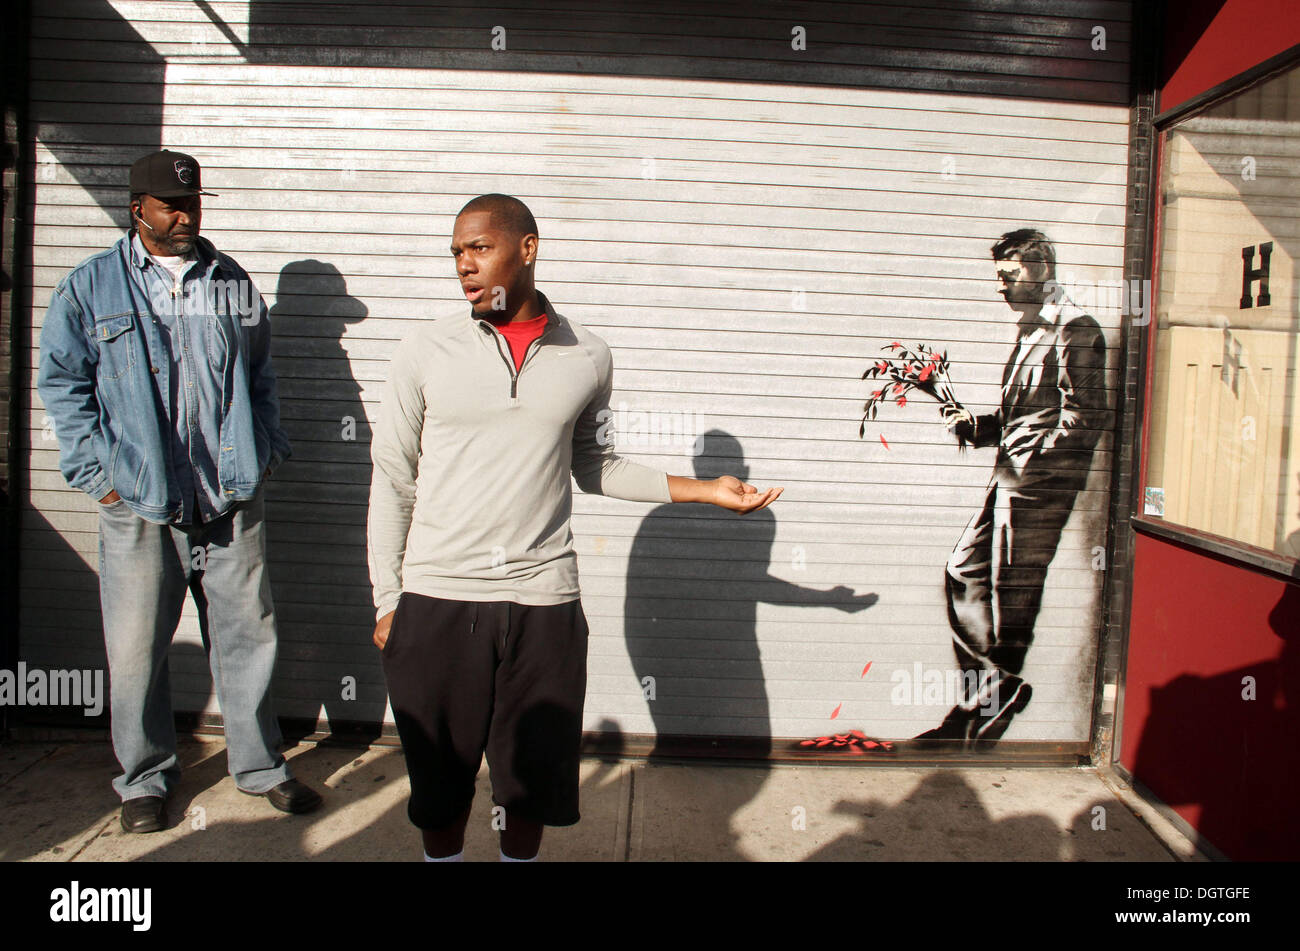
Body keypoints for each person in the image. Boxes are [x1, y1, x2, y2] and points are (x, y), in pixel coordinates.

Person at [368, 193, 781, 861]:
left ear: (526, 248)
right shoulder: (425, 348)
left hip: (544, 603)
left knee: (530, 789)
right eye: (456, 253)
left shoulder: (588, 354)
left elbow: (595, 464)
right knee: (439, 793)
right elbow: (392, 478)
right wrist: (389, 599)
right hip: (440, 599)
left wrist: (704, 489)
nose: (464, 265)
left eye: (479, 247)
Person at [38, 149, 321, 833]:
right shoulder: (91, 288)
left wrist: (268, 452)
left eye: (193, 203)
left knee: (248, 636)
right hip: (140, 503)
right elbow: (62, 388)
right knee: (137, 649)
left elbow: (261, 378)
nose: (186, 214)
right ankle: (143, 780)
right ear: (138, 209)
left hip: (229, 498)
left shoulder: (230, 283)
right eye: (172, 204)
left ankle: (257, 767)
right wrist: (99, 480)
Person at [920, 228, 1107, 748]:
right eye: (998, 276)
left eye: (1009, 275)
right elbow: (1020, 414)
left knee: (1011, 597)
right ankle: (991, 690)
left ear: (1040, 268)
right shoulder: (1032, 331)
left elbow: (1086, 417)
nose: (1000, 287)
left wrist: (1032, 463)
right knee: (963, 573)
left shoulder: (1075, 328)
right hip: (1008, 477)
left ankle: (979, 711)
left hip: (1038, 489)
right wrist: (976, 426)